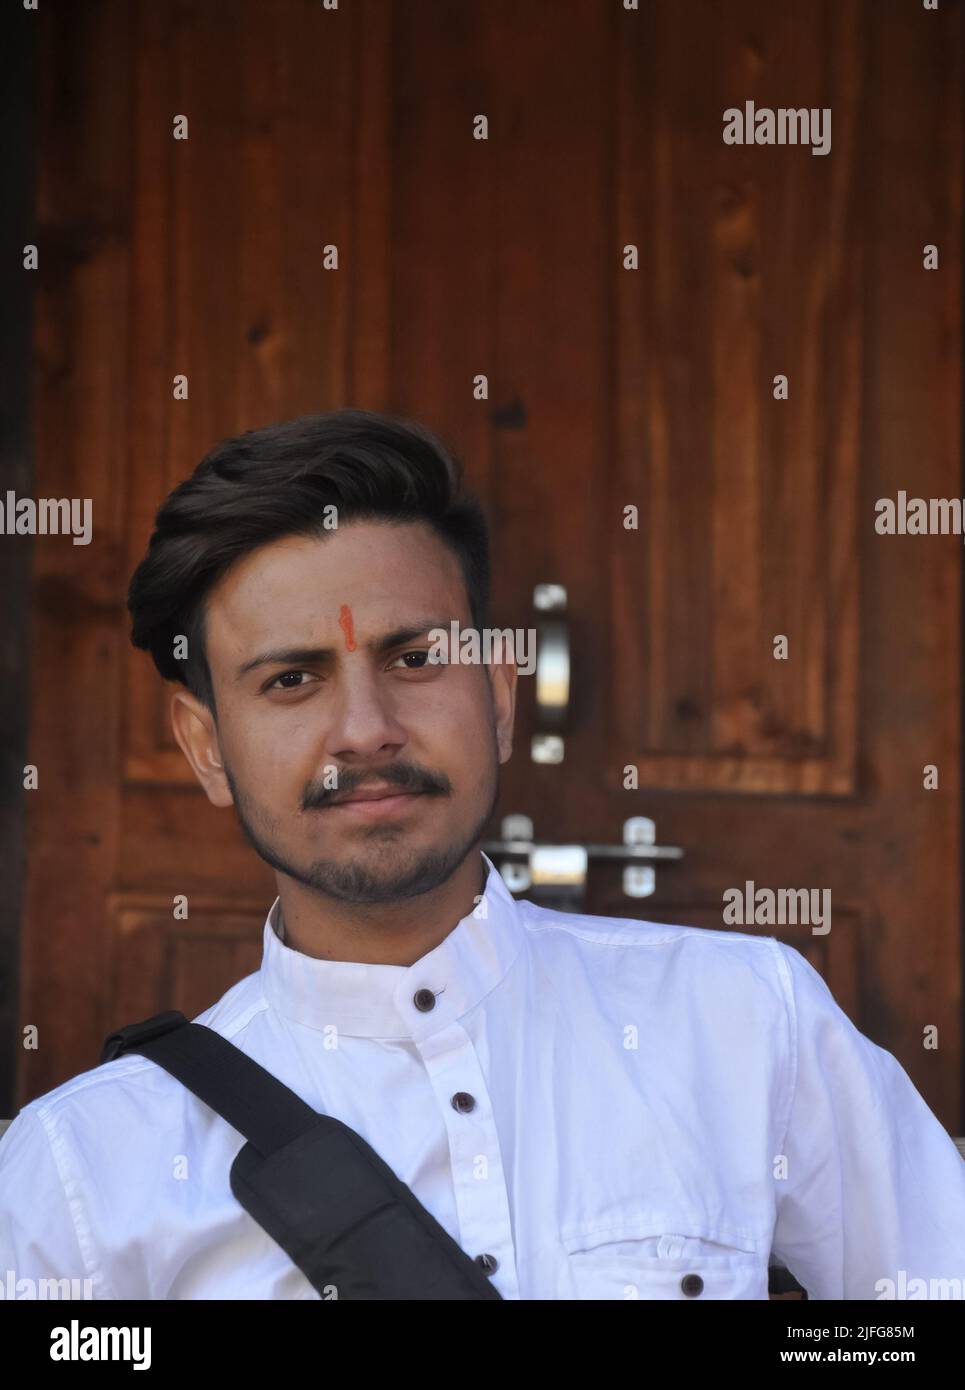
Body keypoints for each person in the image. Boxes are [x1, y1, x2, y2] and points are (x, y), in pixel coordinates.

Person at [1, 408, 964, 1300]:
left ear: (500, 695)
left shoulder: (748, 1022)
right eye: (291, 679)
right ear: (206, 747)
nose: (365, 731)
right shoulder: (82, 1171)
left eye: (415, 659)